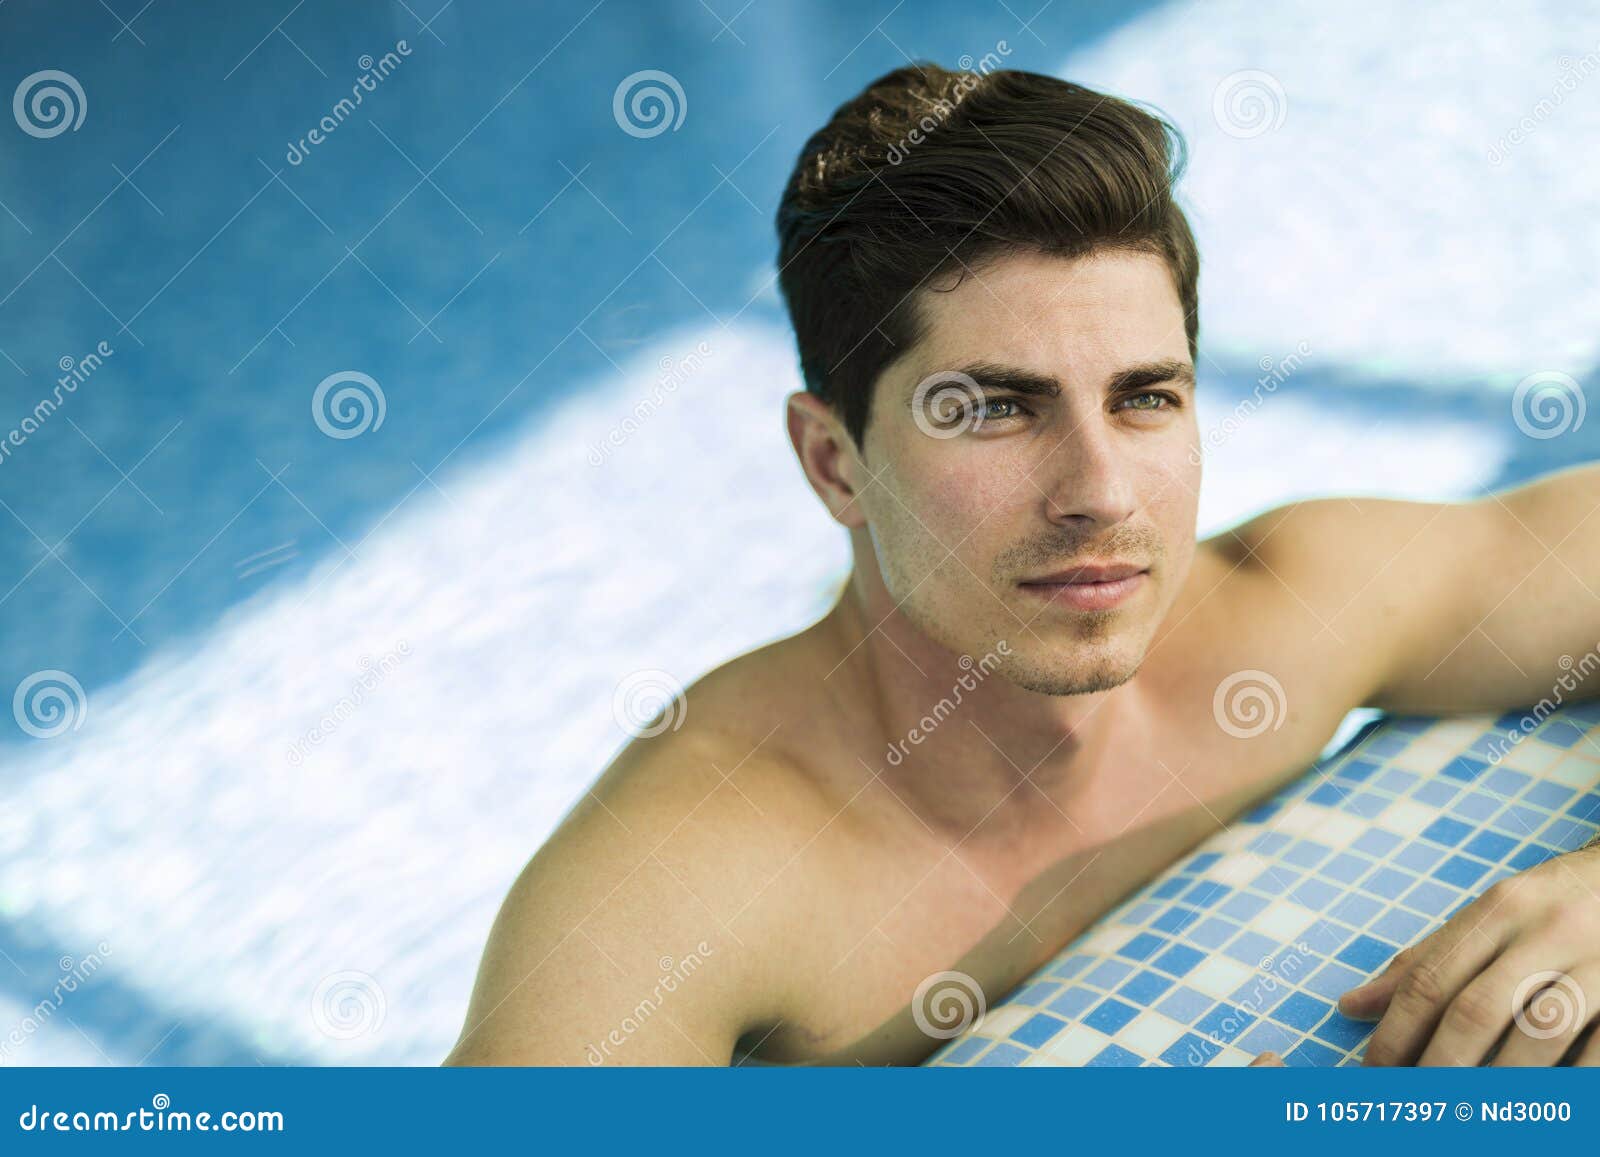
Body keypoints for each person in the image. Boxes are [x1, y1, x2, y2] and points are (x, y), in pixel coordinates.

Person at [444, 63, 1600, 1067]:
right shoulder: (682, 881)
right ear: (832, 460)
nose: (1099, 490)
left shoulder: (1285, 611)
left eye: (1143, 397)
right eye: (995, 408)